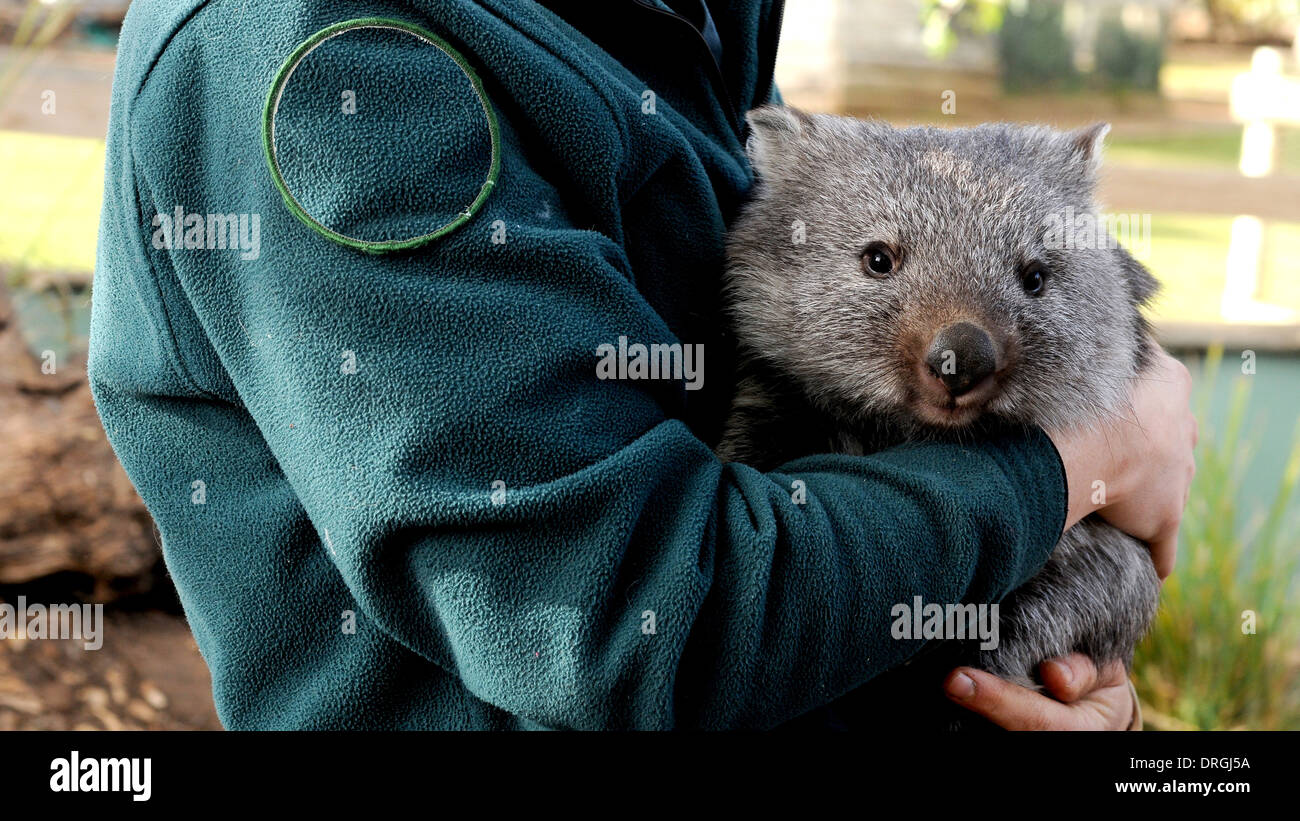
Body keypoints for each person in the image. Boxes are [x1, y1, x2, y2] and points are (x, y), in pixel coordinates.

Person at [89, 0, 1195, 730]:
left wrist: (1044, 659)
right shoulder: (346, 62)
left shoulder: (678, 13)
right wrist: (1073, 464)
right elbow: (629, 619)